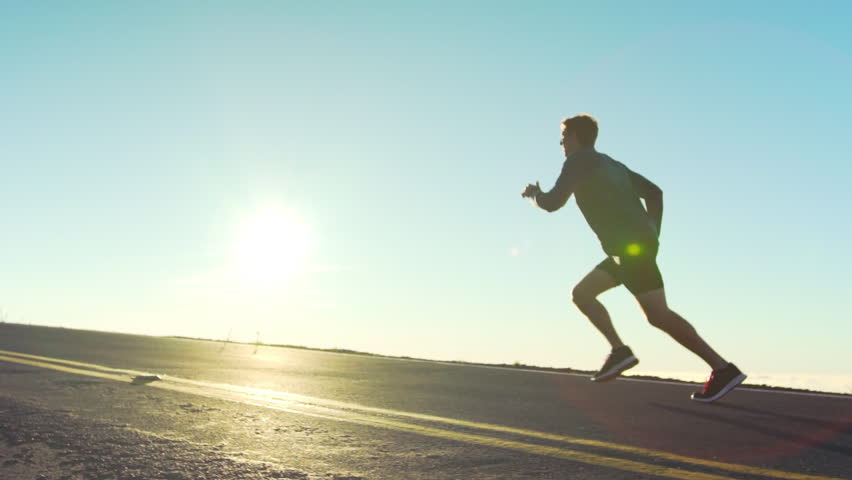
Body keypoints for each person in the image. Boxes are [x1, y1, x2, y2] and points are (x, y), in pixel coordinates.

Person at [521, 114, 745, 403]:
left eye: (564, 136)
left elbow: (553, 203)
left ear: (576, 136)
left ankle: (715, 367)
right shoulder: (612, 164)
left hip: (628, 251)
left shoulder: (578, 161)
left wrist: (534, 195)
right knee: (602, 299)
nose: (561, 142)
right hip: (628, 251)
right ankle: (630, 354)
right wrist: (653, 233)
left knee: (641, 310)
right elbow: (655, 193)